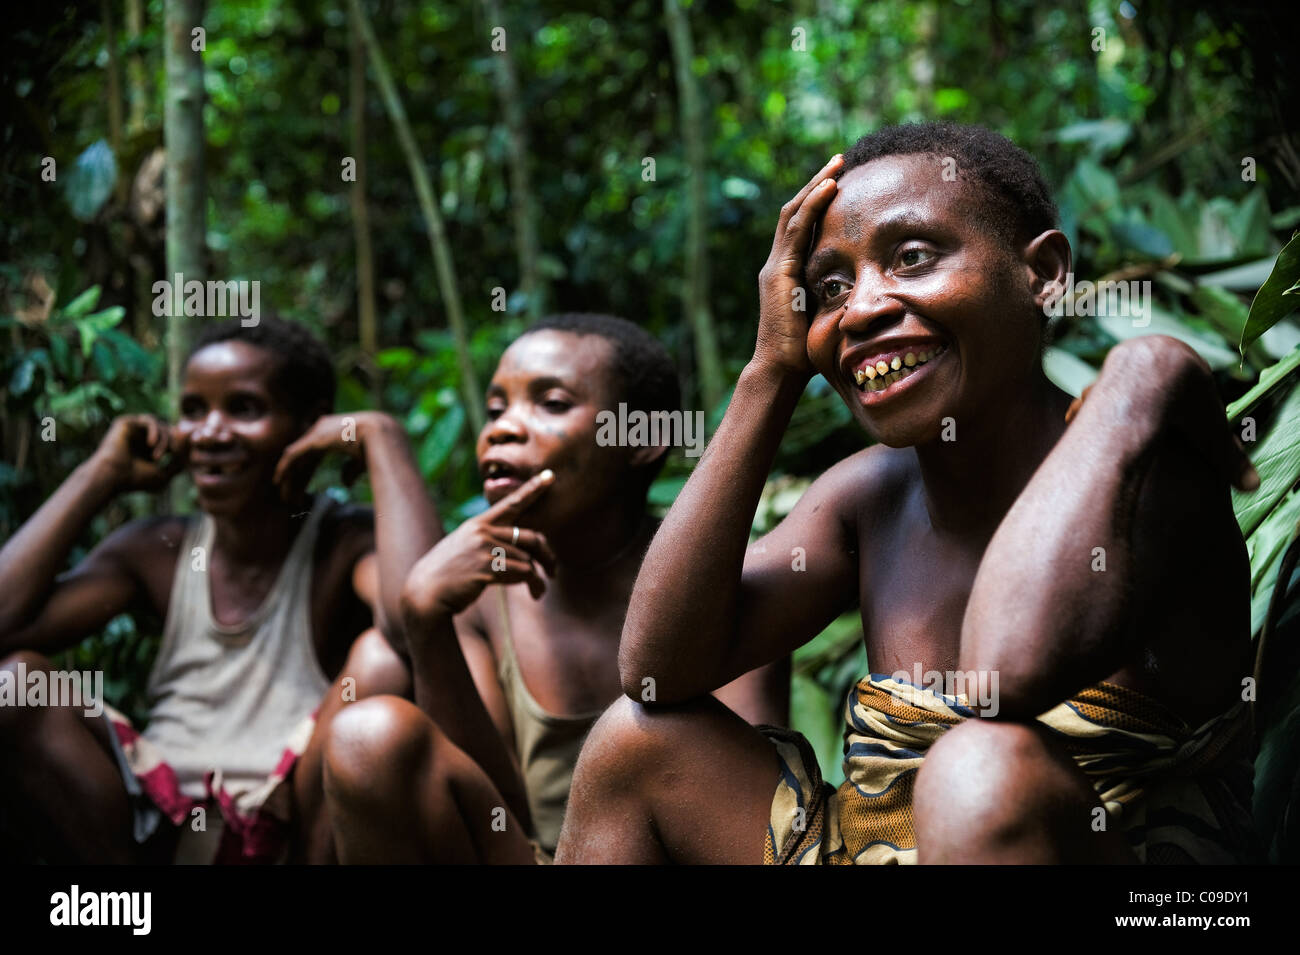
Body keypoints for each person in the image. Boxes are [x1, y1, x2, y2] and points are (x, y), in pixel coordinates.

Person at [556, 123, 1262, 865]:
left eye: (913, 257)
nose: (860, 309)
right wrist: (770, 370)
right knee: (634, 741)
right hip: (873, 849)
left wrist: (1139, 376)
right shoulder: (870, 497)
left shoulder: (1144, 473)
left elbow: (1006, 673)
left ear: (1045, 273)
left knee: (979, 771)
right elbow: (657, 667)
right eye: (829, 289)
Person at [323, 313, 789, 862]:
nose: (503, 427)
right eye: (496, 409)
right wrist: (425, 617)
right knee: (367, 734)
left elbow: (759, 821)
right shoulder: (481, 597)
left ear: (640, 441)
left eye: (552, 404)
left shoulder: (718, 583)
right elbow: (497, 818)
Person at [0, 317, 432, 863]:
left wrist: (380, 438)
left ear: (308, 427)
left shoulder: (342, 543)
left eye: (244, 408)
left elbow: (415, 621)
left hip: (291, 826)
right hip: (158, 821)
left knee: (380, 663)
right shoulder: (157, 549)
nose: (209, 432)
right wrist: (101, 473)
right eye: (193, 410)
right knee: (13, 684)